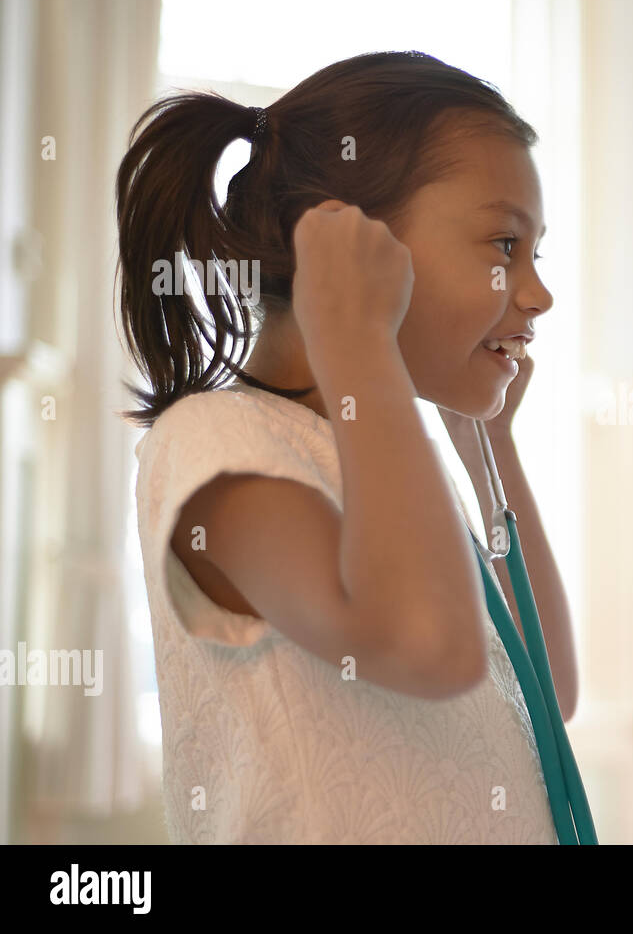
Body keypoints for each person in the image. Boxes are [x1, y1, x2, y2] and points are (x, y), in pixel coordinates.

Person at [118, 51, 573, 842]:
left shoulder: (387, 463)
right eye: (504, 244)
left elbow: (547, 697)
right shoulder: (216, 442)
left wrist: (489, 445)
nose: (538, 292)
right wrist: (359, 333)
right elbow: (430, 646)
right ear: (350, 242)